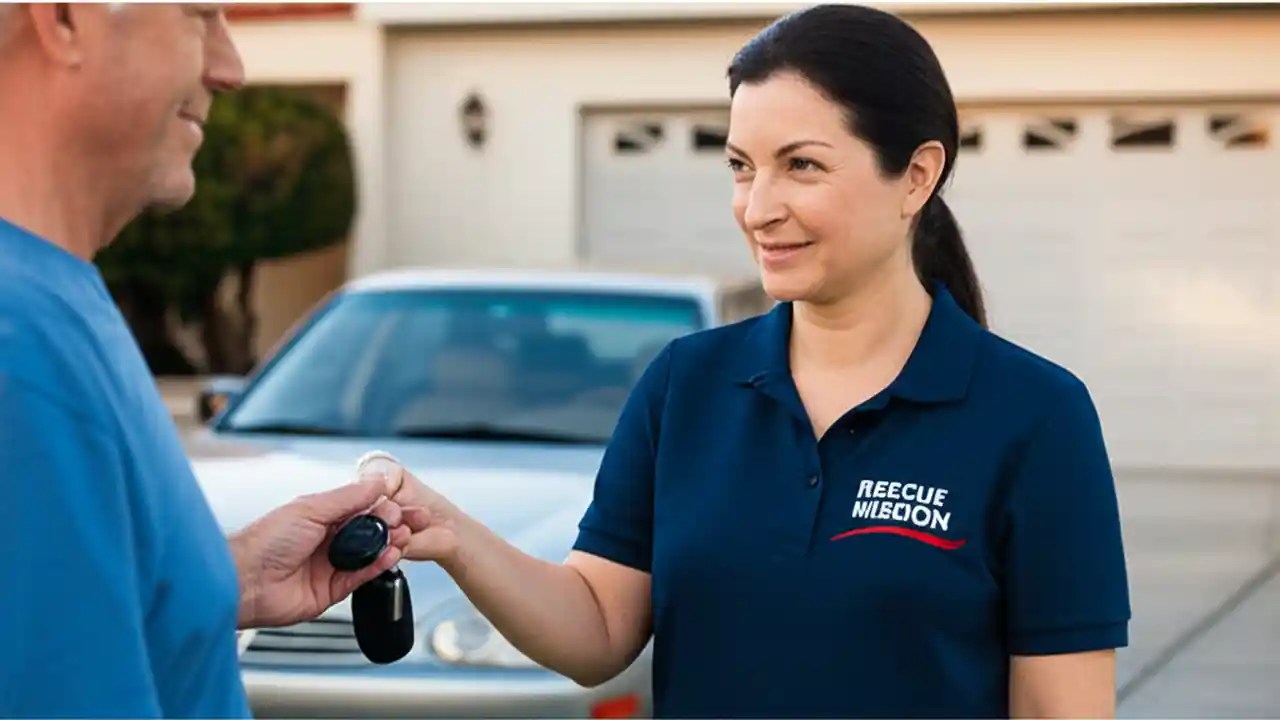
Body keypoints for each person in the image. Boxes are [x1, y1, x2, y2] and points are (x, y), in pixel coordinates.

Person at [385, 4, 1132, 718]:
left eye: (801, 165)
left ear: (915, 176)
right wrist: (452, 534)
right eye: (742, 167)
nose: (757, 206)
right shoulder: (685, 386)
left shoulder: (1034, 416)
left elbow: (1058, 708)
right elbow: (597, 627)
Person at [0, 4, 422, 717]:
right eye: (199, 15)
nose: (230, 70)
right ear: (64, 18)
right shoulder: (21, 352)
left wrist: (225, 581)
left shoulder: (53, 300)